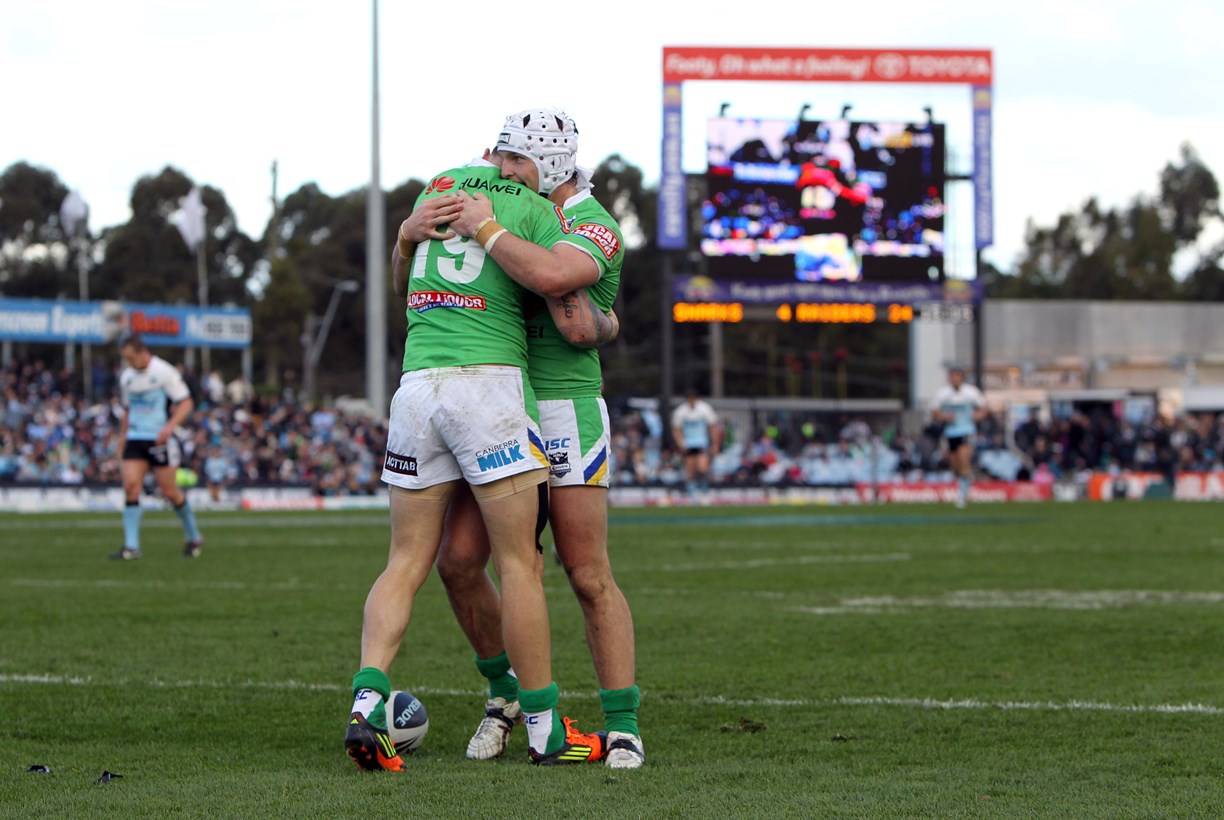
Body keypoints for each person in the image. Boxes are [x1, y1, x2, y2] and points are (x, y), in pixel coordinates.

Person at [345, 120, 607, 772]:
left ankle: (365, 704)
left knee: (406, 559)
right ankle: (546, 729)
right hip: (487, 387)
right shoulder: (533, 206)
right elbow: (557, 288)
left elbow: (405, 282)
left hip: (415, 388)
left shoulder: (434, 191)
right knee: (520, 563)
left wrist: (404, 236)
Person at [402, 108, 644, 769]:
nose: (502, 172)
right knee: (457, 562)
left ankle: (622, 723)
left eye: (517, 161)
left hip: (562, 404)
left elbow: (561, 295)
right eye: (500, 156)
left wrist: (484, 226)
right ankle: (506, 696)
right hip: (496, 394)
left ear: (557, 166)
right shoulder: (506, 199)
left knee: (587, 573)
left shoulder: (590, 222)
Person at [109, 334, 204, 560]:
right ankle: (131, 546)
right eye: (125, 359)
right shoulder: (127, 377)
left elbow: (186, 402)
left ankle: (193, 536)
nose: (129, 363)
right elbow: (127, 410)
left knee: (170, 492)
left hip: (159, 439)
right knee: (131, 487)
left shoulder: (164, 372)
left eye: (131, 358)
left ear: (143, 352)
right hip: (135, 437)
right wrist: (122, 440)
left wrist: (169, 427)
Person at [930, 365, 988, 508]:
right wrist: (944, 416)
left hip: (966, 431)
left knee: (964, 460)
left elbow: (984, 407)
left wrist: (978, 415)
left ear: (962, 377)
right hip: (950, 433)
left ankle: (963, 495)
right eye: (952, 376)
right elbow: (934, 412)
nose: (955, 379)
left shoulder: (971, 392)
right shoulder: (943, 393)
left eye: (957, 376)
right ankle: (966, 482)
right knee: (955, 465)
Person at [671, 388, 721, 500]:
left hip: (701, 442)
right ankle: (692, 495)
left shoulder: (704, 408)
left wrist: (715, 444)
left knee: (703, 469)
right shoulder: (681, 411)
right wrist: (681, 444)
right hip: (688, 444)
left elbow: (713, 426)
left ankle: (704, 492)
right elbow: (677, 430)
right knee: (691, 471)